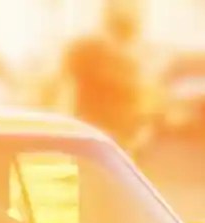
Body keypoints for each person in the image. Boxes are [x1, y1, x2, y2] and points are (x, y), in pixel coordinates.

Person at [59, 0, 150, 155]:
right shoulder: (87, 50)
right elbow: (65, 88)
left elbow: (139, 100)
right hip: (93, 135)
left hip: (111, 139)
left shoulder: (131, 59)